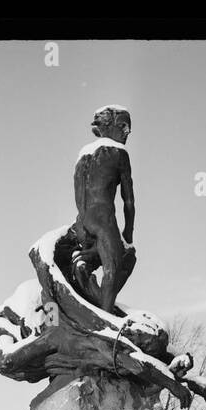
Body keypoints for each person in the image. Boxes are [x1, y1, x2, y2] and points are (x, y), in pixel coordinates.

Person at [70, 105, 136, 312]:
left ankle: (83, 266)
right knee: (118, 264)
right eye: (123, 126)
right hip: (103, 218)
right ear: (108, 126)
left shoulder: (82, 157)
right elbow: (129, 200)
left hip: (82, 221)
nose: (127, 132)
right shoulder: (118, 153)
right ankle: (105, 319)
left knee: (102, 256)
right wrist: (128, 232)